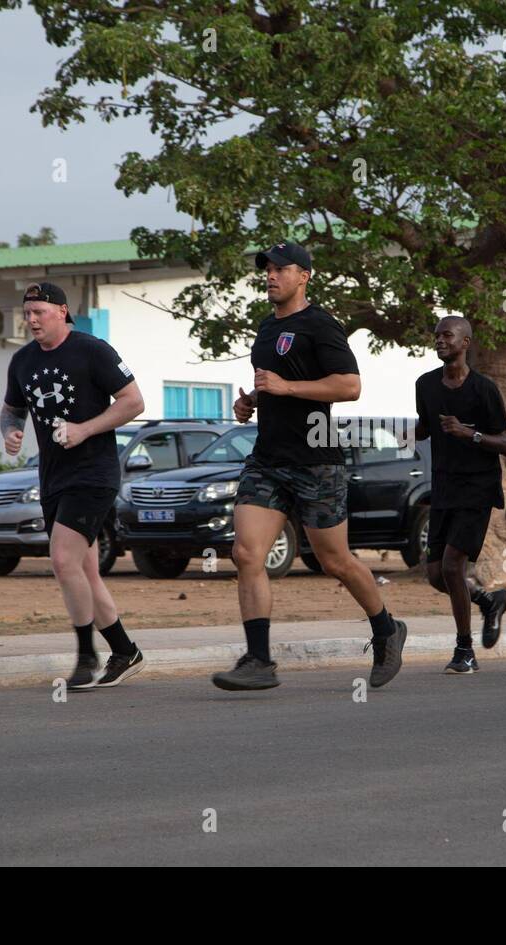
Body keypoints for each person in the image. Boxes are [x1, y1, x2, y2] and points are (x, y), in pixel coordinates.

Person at [212, 242, 406, 692]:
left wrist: (285, 387)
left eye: (282, 268)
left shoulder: (321, 325)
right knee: (245, 553)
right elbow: (271, 387)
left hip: (316, 461)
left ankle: (386, 629)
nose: (271, 275)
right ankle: (259, 659)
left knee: (333, 560)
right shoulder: (264, 328)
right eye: (268, 269)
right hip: (267, 460)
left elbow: (349, 386)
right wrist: (252, 400)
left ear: (305, 276)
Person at [0, 282, 146, 691]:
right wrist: (11, 432)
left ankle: (86, 655)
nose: (31, 321)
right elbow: (11, 410)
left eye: (39, 313)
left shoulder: (93, 350)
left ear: (62, 312)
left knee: (63, 560)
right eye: (27, 313)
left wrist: (85, 429)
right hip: (53, 476)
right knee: (82, 569)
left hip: (94, 473)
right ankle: (125, 651)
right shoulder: (22, 361)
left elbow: (133, 401)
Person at [413, 316, 506, 675]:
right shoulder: (425, 384)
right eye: (436, 335)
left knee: (455, 566)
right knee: (437, 574)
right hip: (443, 488)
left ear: (466, 342)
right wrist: (417, 431)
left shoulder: (484, 389)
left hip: (477, 488)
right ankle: (489, 601)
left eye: (447, 335)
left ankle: (464, 650)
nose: (440, 340)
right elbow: (424, 426)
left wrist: (467, 434)